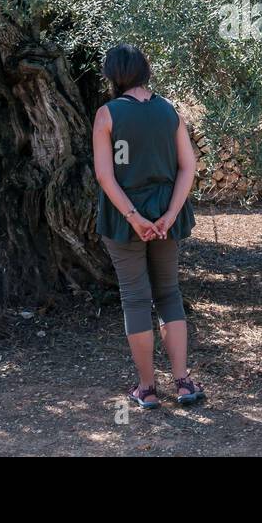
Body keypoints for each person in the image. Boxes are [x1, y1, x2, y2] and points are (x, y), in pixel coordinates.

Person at [92, 44, 204, 408]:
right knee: (169, 295)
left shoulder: (107, 115)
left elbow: (106, 177)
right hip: (166, 217)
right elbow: (188, 166)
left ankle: (147, 389)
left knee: (135, 299)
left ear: (113, 75)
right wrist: (170, 215)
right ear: (145, 70)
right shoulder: (170, 111)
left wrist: (134, 219)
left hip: (125, 220)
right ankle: (183, 382)